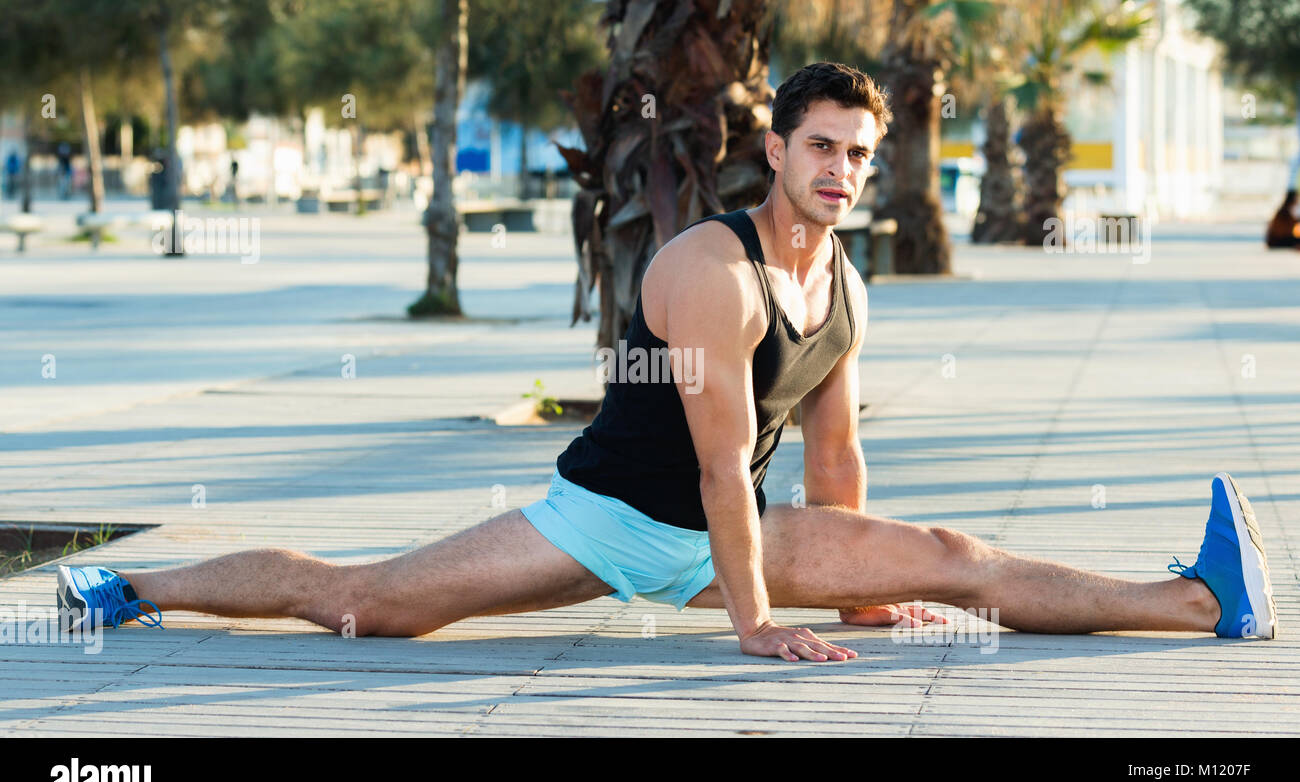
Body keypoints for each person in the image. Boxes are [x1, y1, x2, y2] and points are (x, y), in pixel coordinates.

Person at [55, 62, 1279, 661]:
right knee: (361, 605)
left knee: (954, 559)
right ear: (775, 149)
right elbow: (714, 467)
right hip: (603, 518)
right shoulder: (711, 270)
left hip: (725, 532)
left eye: (859, 153)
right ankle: (136, 587)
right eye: (821, 146)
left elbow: (833, 454)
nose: (842, 170)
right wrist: (757, 622)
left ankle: (1197, 600)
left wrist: (856, 587)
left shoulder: (845, 283)